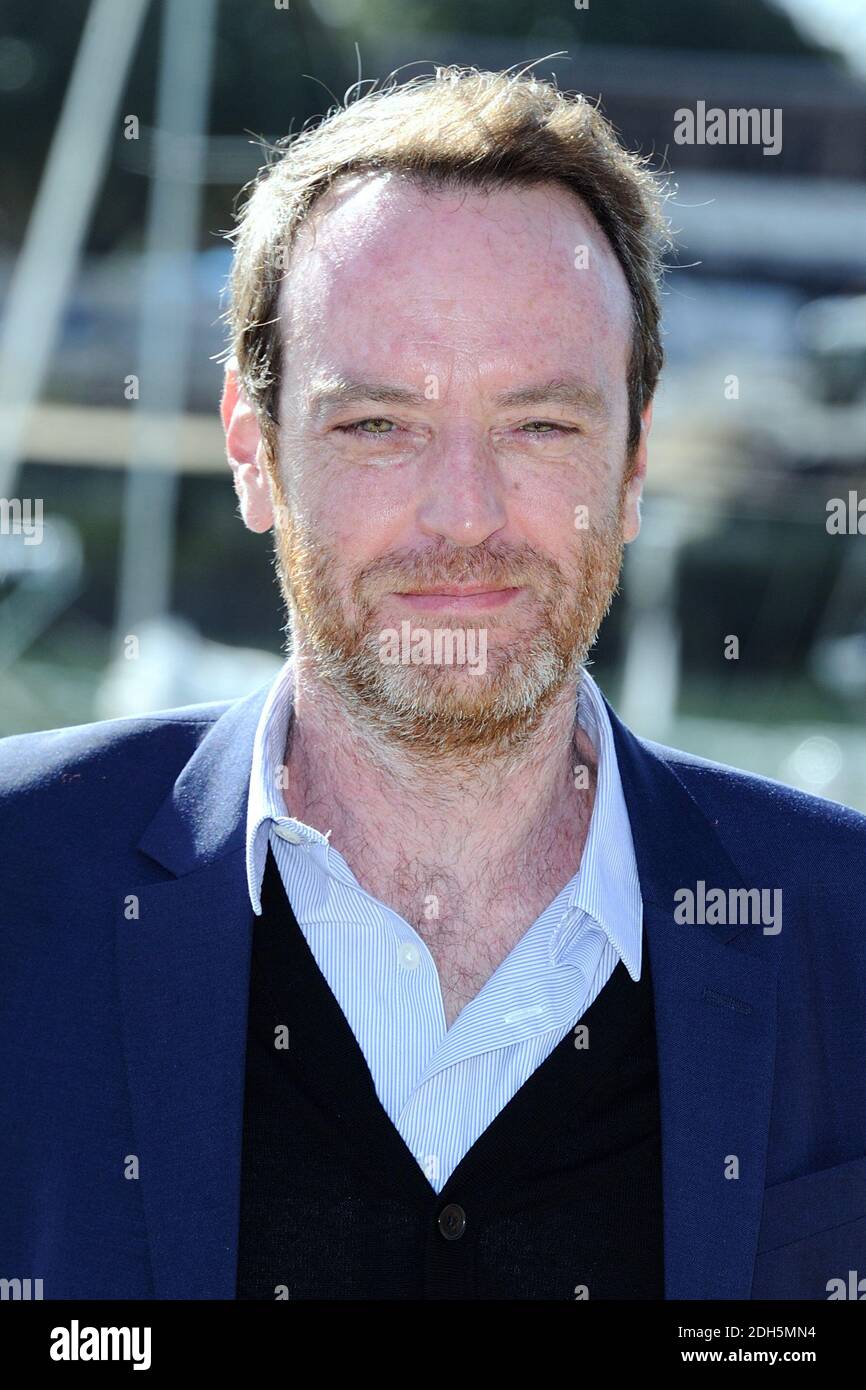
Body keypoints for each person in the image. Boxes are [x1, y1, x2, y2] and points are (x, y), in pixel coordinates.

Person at [2, 66, 865, 1302]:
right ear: (253, 451)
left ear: (630, 465)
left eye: (540, 425)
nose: (463, 516)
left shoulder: (843, 930)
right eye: (375, 426)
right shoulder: (18, 883)